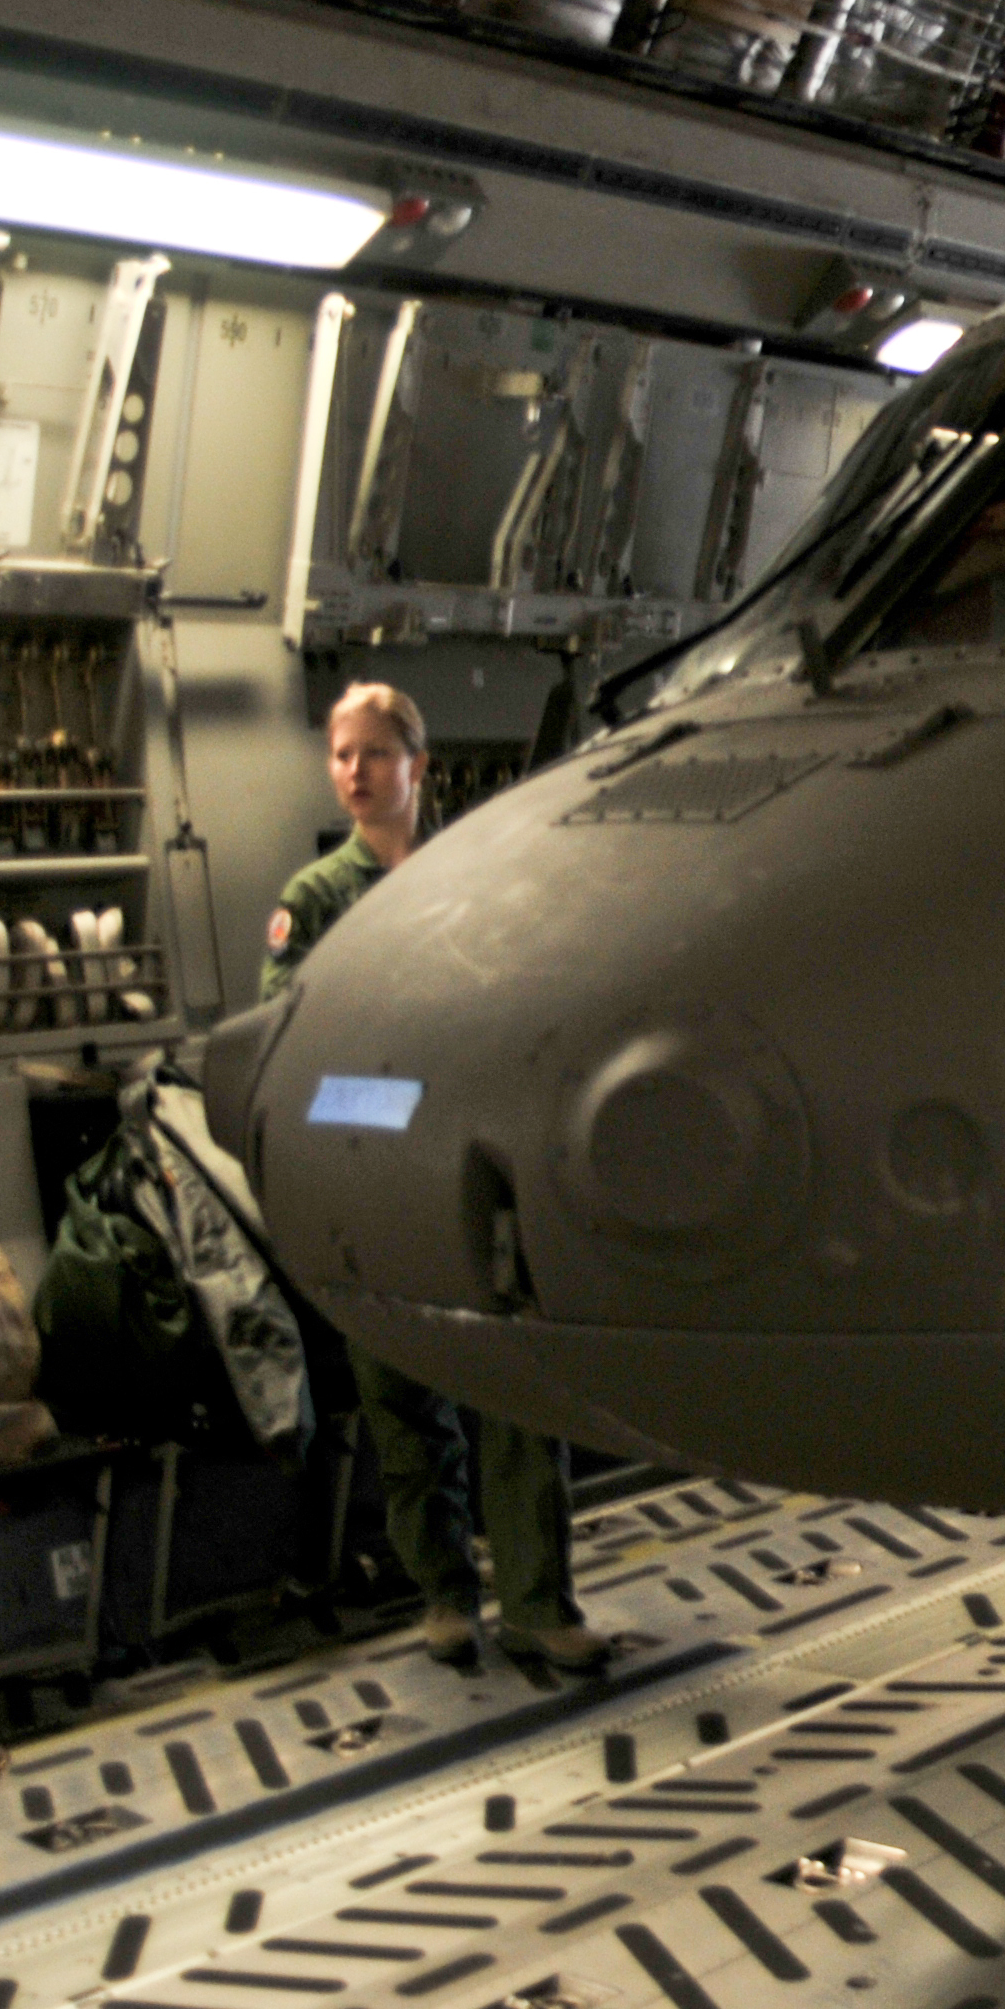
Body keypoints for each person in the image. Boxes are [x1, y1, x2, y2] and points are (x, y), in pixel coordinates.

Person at [261, 684, 605, 1674]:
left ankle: (537, 1602)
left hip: (473, 1173)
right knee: (402, 1403)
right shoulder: (317, 898)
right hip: (375, 1177)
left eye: (374, 752)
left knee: (513, 1398)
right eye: (340, 753)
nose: (355, 771)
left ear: (418, 765)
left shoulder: (481, 873)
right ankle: (445, 1594)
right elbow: (293, 1037)